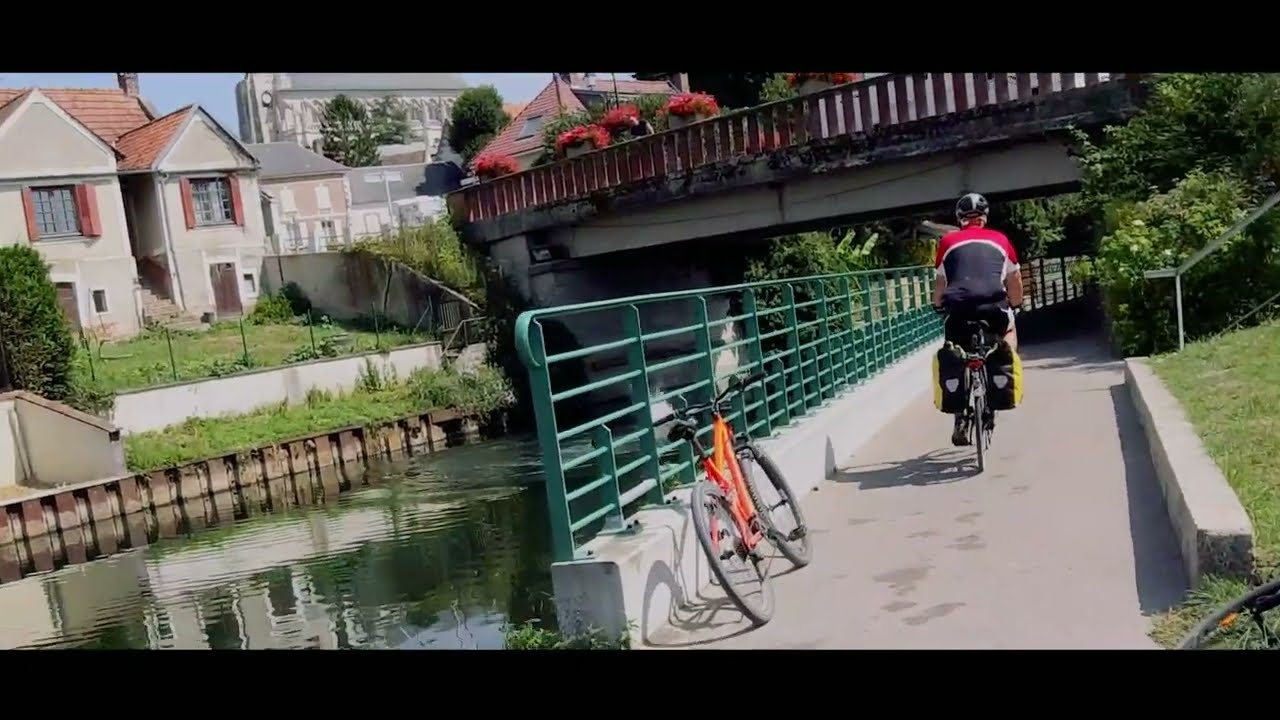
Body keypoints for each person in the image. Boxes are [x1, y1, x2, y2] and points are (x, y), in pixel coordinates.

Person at [932, 192, 1024, 446]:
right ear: (984, 218)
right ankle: (1003, 356)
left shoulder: (947, 241)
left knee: (956, 348)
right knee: (1010, 328)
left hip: (959, 307)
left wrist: (937, 305)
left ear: (960, 218)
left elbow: (941, 282)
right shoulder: (1001, 240)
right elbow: (1014, 279)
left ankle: (960, 417)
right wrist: (1016, 304)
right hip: (993, 305)